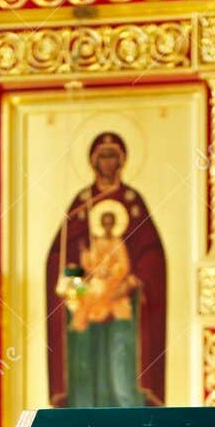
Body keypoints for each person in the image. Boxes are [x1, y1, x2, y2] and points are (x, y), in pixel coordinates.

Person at [47, 132, 166, 408]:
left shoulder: (133, 202)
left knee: (121, 358)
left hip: (123, 302)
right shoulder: (82, 203)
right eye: (103, 156)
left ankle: (129, 417)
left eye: (113, 155)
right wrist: (76, 279)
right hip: (87, 301)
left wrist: (133, 280)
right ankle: (83, 413)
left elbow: (151, 252)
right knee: (85, 359)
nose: (108, 162)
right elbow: (61, 253)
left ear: (122, 161)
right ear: (93, 161)